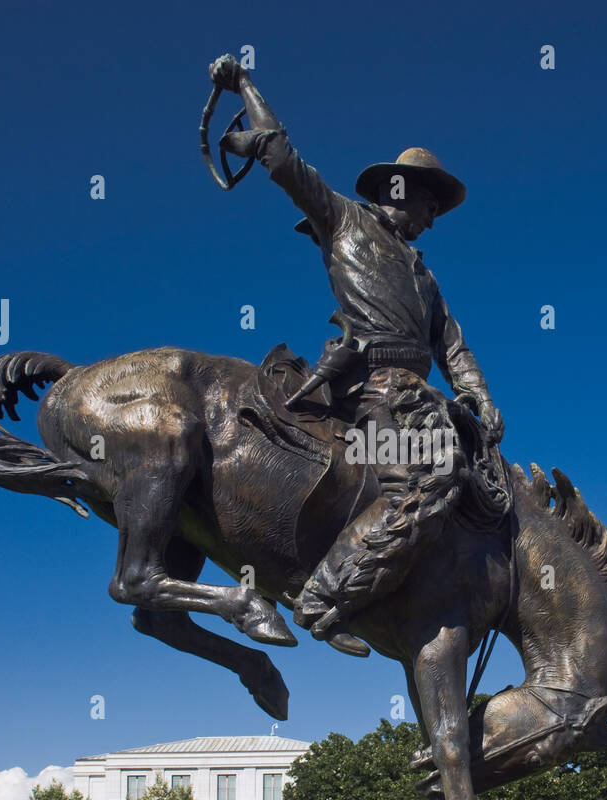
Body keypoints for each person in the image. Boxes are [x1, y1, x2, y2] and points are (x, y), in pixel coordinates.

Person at [209, 54, 504, 656]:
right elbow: (280, 156)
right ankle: (324, 596)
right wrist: (244, 84)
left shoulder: (424, 276)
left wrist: (478, 394)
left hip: (420, 395)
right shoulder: (344, 219)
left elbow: (454, 346)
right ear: (405, 192)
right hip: (375, 387)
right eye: (430, 207)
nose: (432, 220)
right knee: (424, 478)